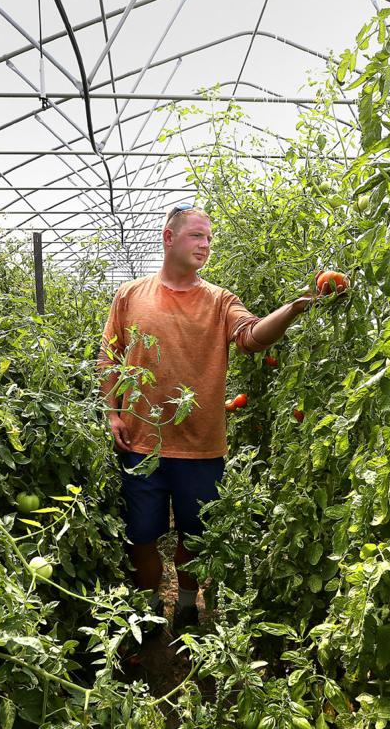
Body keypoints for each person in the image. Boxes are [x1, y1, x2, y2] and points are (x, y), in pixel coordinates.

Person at [98, 203, 328, 632]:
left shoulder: (220, 300)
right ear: (169, 238)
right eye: (196, 236)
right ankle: (147, 612)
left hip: (202, 444)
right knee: (141, 535)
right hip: (141, 440)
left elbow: (251, 336)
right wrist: (112, 413)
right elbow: (109, 358)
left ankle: (187, 606)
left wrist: (292, 310)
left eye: (208, 238)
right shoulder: (131, 295)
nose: (204, 245)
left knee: (194, 535)